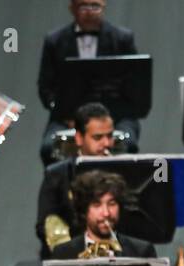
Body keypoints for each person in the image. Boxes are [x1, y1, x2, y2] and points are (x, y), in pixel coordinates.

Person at [36, 0, 140, 165]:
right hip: (67, 118)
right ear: (72, 8)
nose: (90, 11)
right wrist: (67, 115)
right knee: (49, 148)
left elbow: (134, 87)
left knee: (128, 145)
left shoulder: (122, 39)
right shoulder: (54, 41)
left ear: (104, 7)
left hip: (116, 117)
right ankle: (61, 190)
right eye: (84, 6)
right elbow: (46, 88)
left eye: (95, 6)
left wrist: (107, 120)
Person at [35, 101, 116, 257]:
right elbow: (44, 225)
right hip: (70, 259)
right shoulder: (56, 174)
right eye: (98, 137)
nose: (107, 143)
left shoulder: (123, 172)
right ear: (79, 138)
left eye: (110, 136)